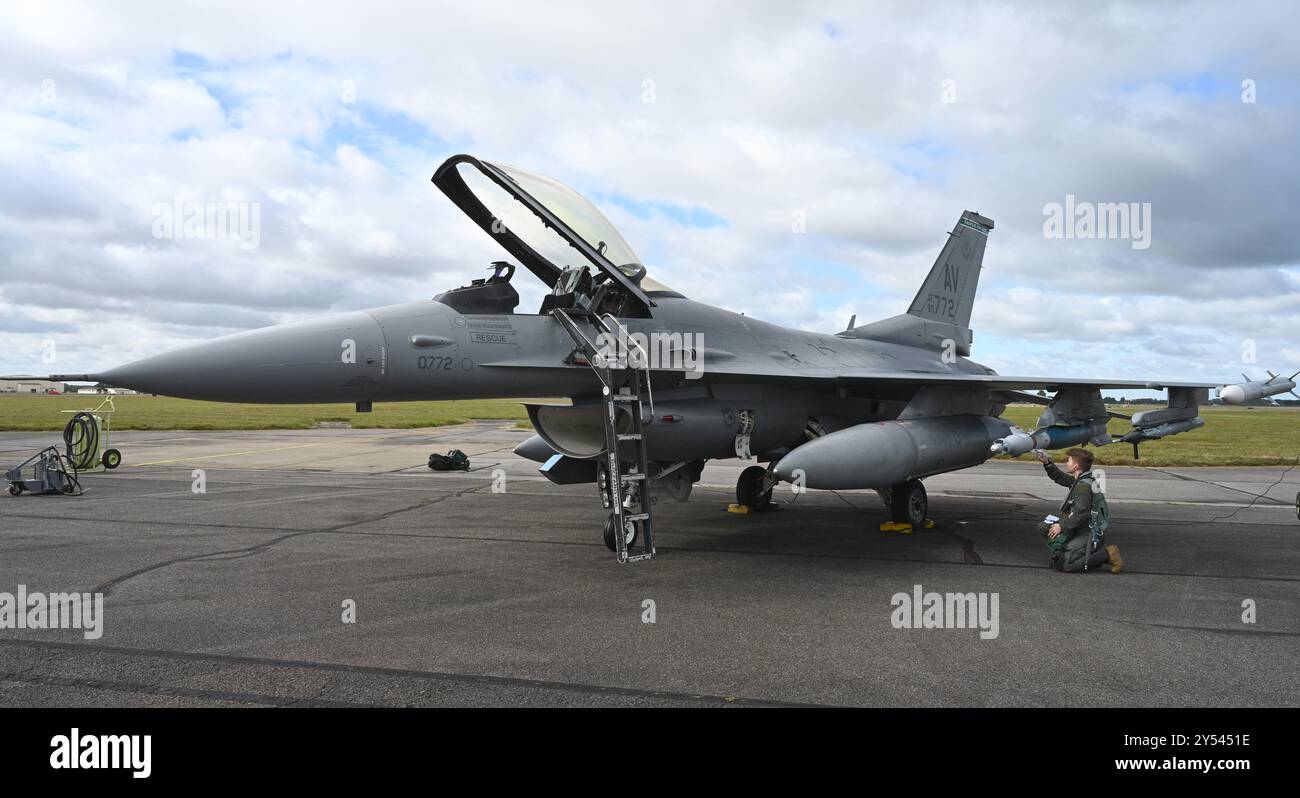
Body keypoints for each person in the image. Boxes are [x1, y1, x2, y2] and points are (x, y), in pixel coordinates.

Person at [1034, 447, 1123, 573]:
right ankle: (1065, 554)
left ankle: (1108, 554)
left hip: (1088, 531)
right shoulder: (1080, 480)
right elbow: (1061, 478)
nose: (1066, 463)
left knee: (1068, 566)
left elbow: (1081, 514)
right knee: (1044, 527)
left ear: (1075, 467)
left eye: (1069, 461)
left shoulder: (1083, 486)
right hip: (1078, 525)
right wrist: (1047, 463)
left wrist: (1061, 526)